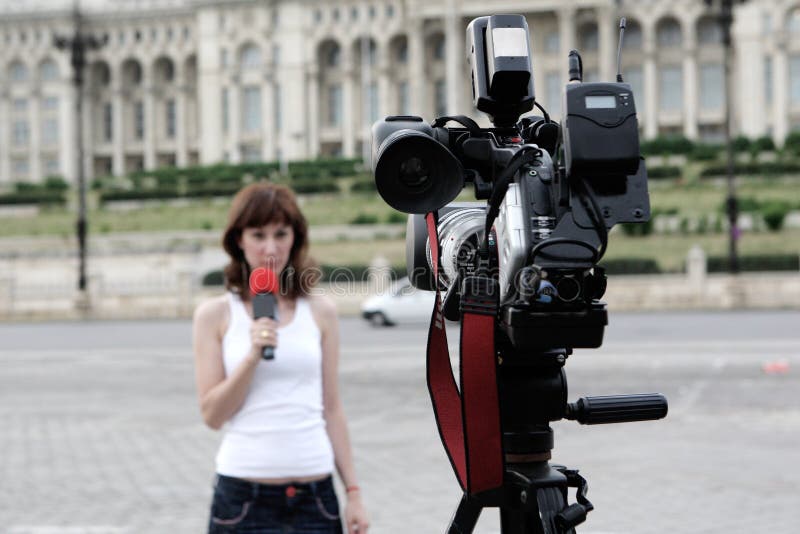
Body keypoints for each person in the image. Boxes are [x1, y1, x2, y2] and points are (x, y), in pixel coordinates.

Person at [193, 182, 369, 534]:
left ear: (296, 238)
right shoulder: (215, 315)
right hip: (243, 499)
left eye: (281, 233)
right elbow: (213, 415)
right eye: (258, 234)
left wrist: (353, 492)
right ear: (238, 240)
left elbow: (331, 408)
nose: (270, 247)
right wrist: (253, 355)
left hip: (315, 498)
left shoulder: (321, 312)